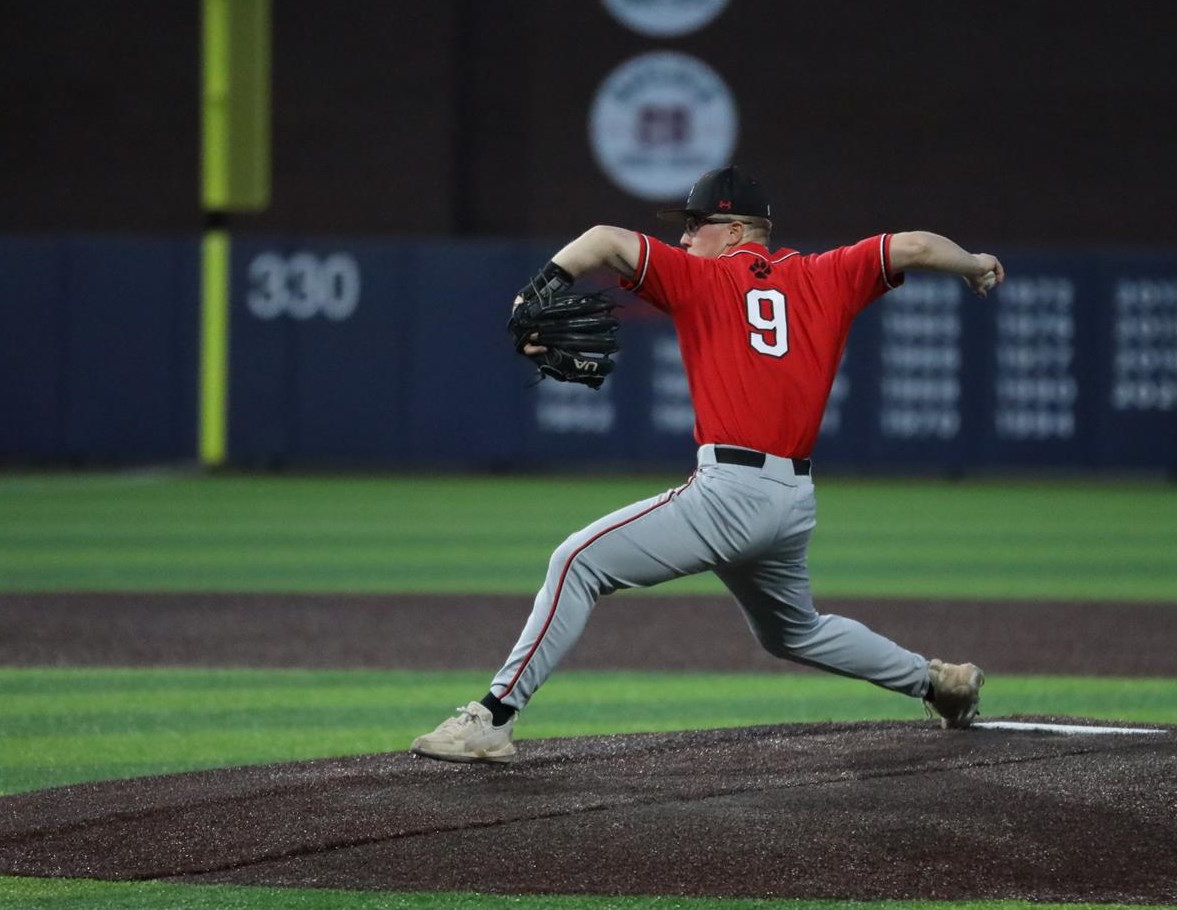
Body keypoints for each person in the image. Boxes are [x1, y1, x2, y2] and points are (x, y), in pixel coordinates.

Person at [412, 166, 1000, 763]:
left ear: (739, 230)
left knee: (577, 561)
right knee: (793, 631)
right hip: (791, 499)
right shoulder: (829, 274)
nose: (686, 238)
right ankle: (938, 684)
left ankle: (492, 717)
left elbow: (604, 239)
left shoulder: (701, 278)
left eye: (697, 225)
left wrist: (528, 298)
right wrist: (975, 262)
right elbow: (918, 246)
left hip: (730, 493)